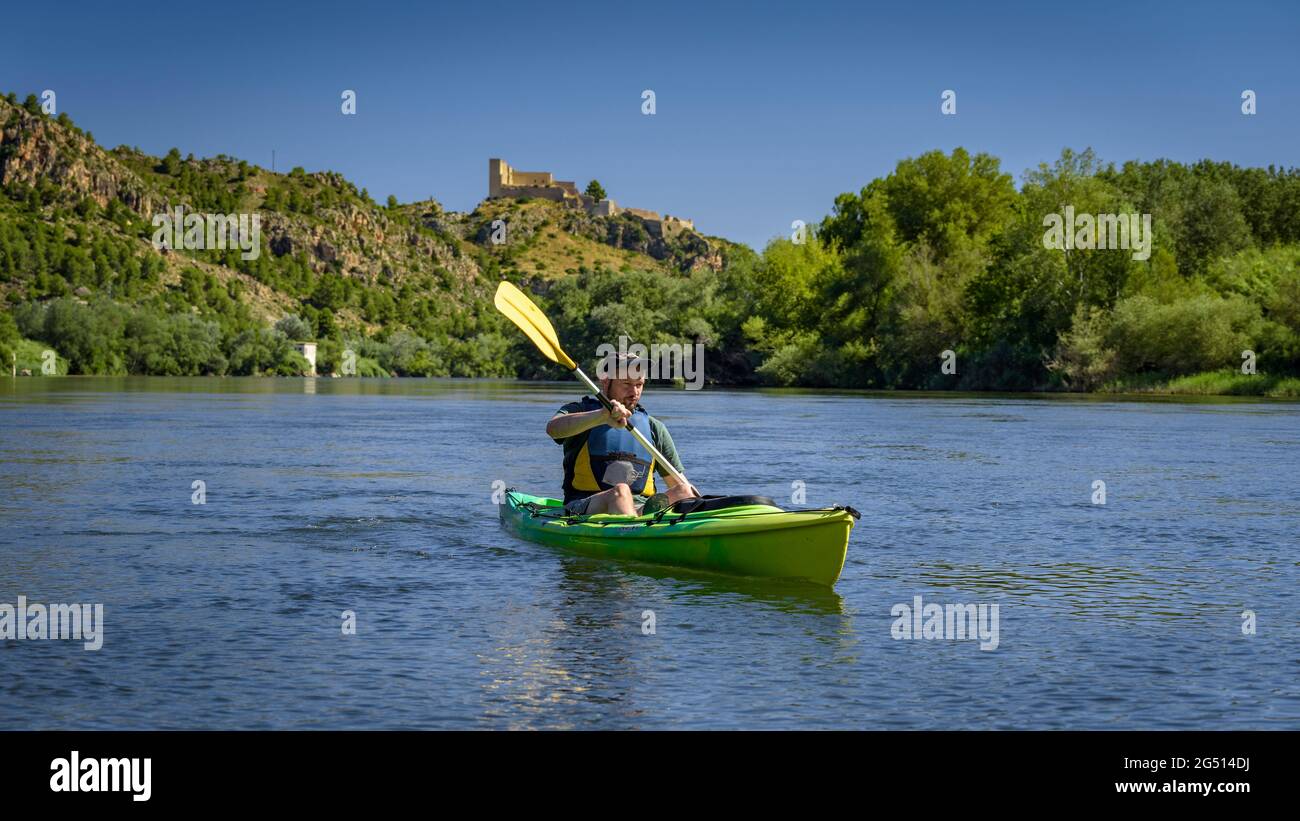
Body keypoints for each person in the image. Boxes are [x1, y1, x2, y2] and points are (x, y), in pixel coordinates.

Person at [546, 353, 699, 516]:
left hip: (640, 509)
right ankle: (636, 535)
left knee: (684, 490)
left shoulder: (654, 427)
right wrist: (600, 416)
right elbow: (553, 429)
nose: (634, 392)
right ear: (605, 382)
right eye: (626, 384)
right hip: (586, 505)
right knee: (621, 492)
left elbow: (677, 482)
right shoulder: (582, 411)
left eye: (639, 384)